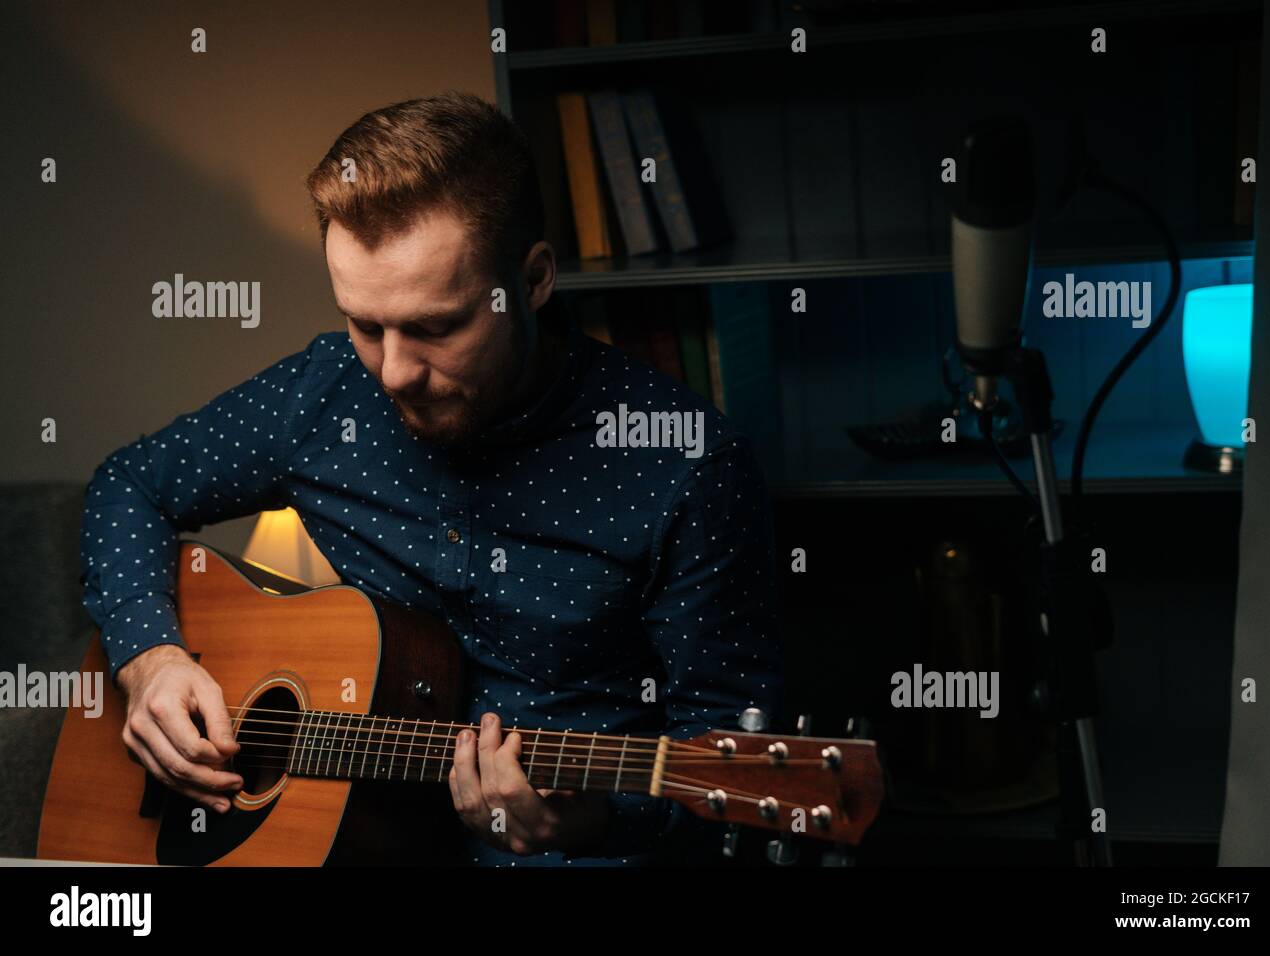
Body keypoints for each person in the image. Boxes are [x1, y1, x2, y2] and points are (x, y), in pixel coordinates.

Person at [80, 91, 783, 865]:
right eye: (363, 323)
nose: (394, 371)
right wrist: (152, 659)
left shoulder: (687, 465)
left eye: (436, 327)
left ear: (535, 279)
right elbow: (128, 484)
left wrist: (593, 823)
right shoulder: (320, 395)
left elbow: (726, 770)